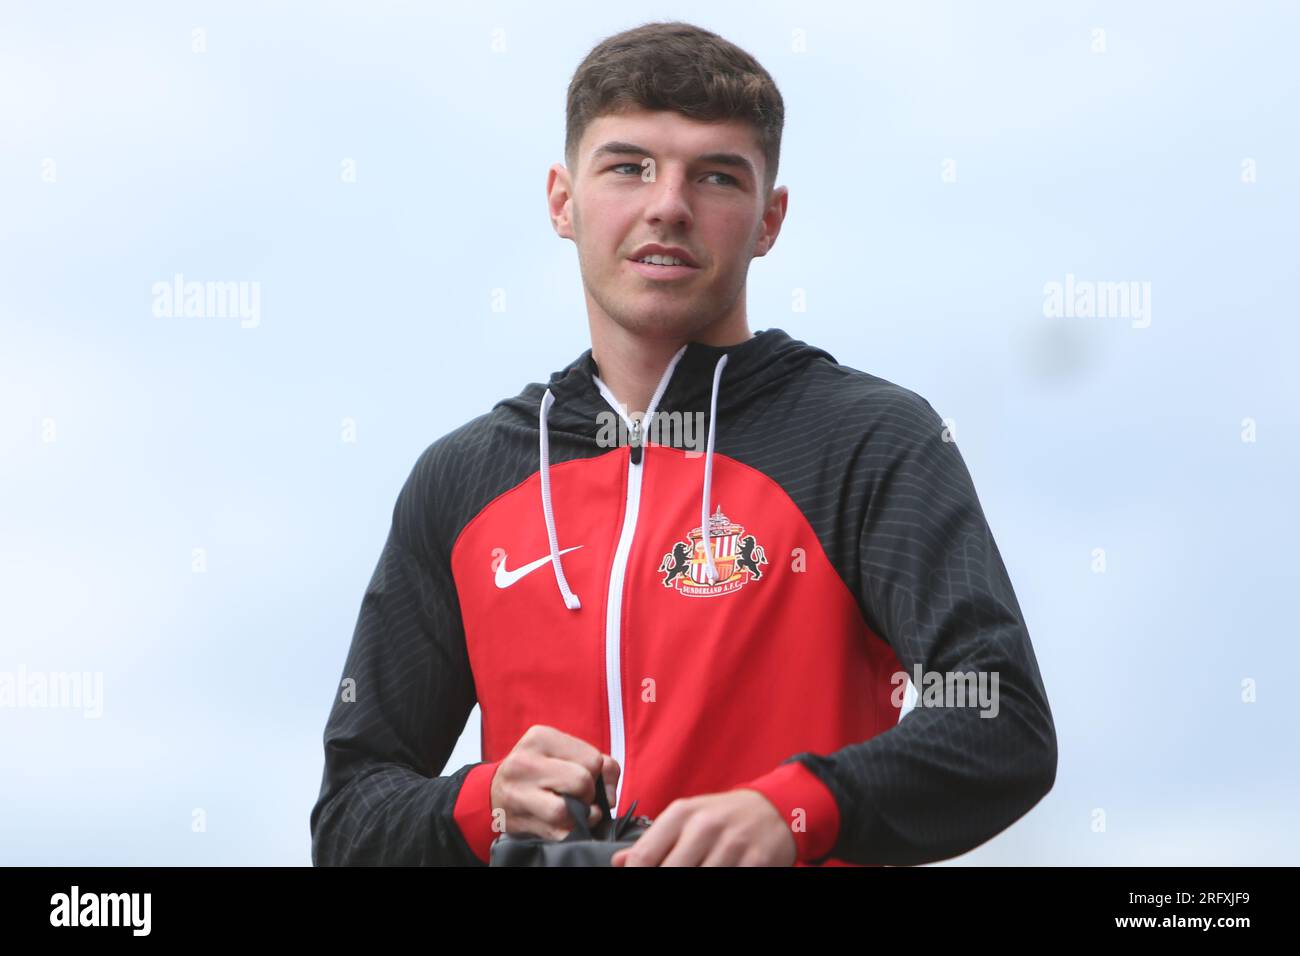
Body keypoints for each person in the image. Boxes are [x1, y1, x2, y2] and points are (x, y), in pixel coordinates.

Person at [309, 20, 1057, 867]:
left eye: (716, 176)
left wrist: (794, 810)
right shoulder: (461, 481)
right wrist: (484, 803)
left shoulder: (866, 438)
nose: (668, 203)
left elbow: (1002, 715)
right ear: (563, 200)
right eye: (629, 167)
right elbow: (348, 819)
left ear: (770, 220)